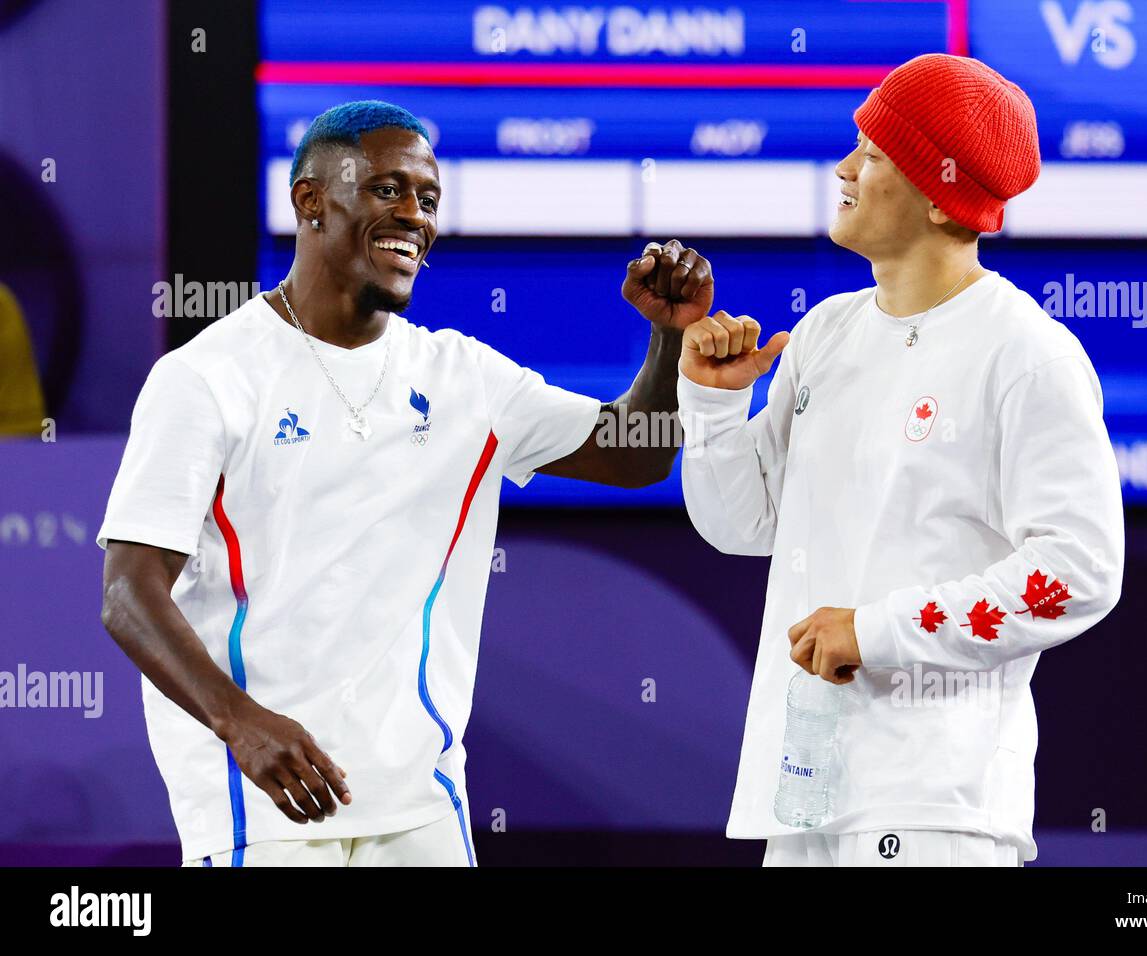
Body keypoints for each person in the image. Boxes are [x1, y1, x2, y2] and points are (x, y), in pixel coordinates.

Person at [98, 100, 709, 866]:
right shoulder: (207, 378)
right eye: (388, 189)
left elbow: (635, 455)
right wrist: (240, 722)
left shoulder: (463, 377)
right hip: (264, 804)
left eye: (428, 198)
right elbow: (128, 592)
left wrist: (669, 337)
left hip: (422, 804)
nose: (414, 216)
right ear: (310, 200)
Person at [674, 54, 1125, 867]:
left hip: (932, 807)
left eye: (874, 154)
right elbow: (742, 525)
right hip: (800, 790)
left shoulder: (1026, 353)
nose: (844, 169)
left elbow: (1079, 569)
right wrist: (711, 404)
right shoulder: (826, 334)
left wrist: (879, 631)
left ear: (940, 195)